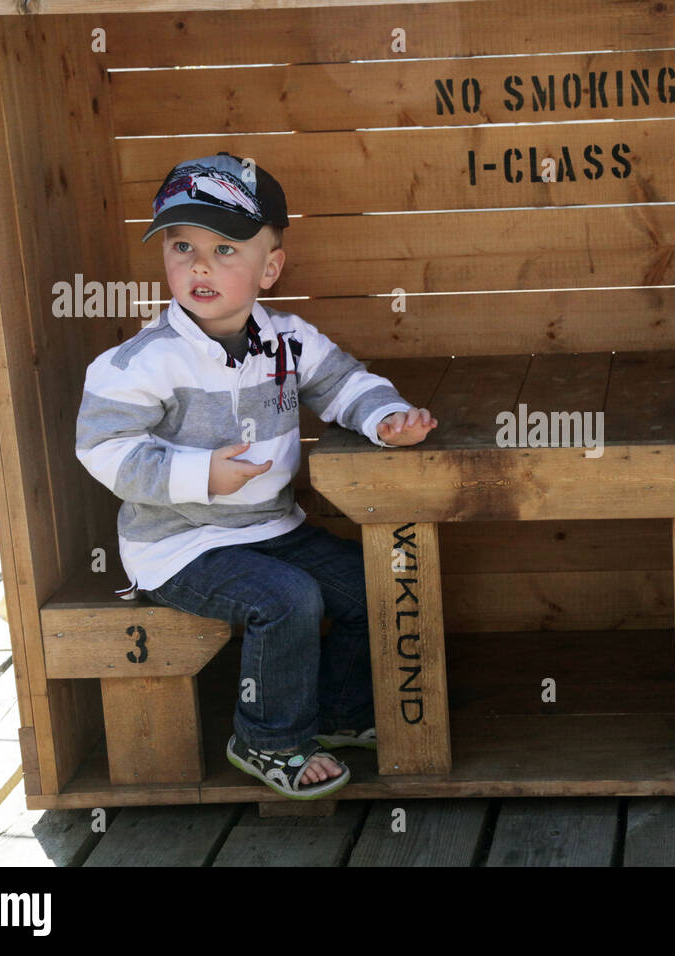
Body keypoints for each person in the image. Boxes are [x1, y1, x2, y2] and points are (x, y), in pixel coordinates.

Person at [76, 153, 438, 799]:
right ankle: (267, 740)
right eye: (180, 245)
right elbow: (105, 449)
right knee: (287, 600)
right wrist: (197, 473)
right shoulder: (141, 361)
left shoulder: (289, 341)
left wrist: (385, 419)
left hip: (273, 527)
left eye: (224, 248)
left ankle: (338, 714)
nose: (199, 265)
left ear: (270, 266)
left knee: (370, 581)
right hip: (180, 544)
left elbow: (344, 385)